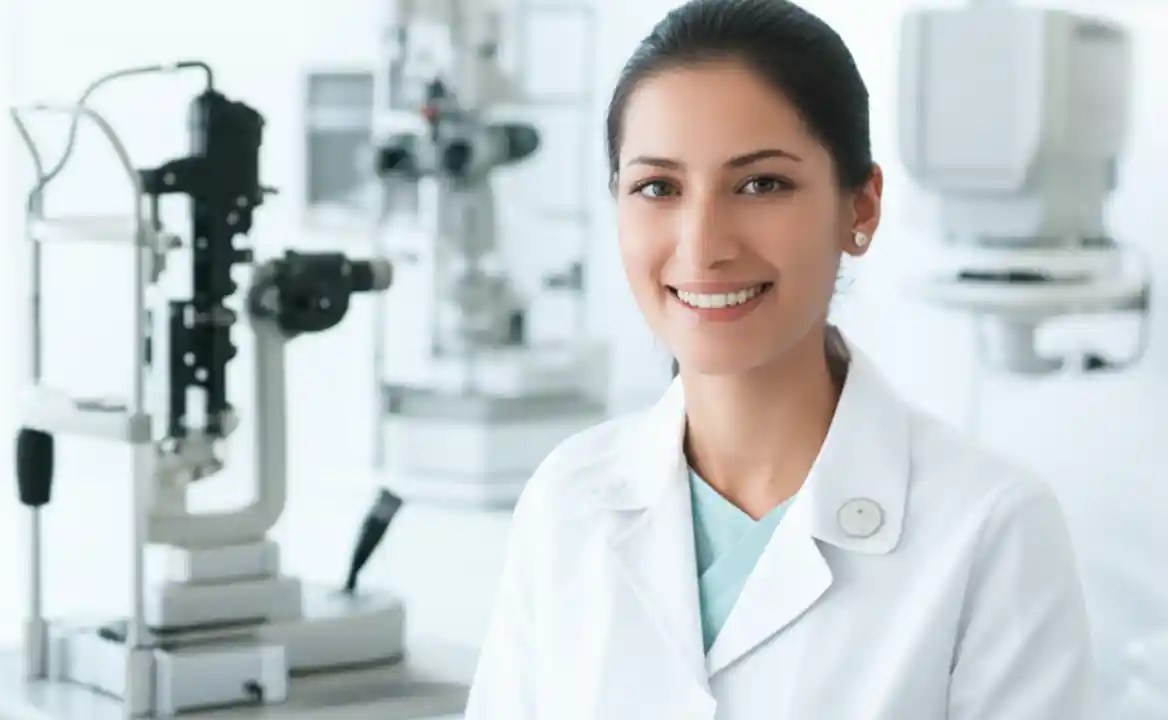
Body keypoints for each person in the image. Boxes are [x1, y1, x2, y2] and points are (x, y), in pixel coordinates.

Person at [463, 0, 1096, 717]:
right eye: (658, 188)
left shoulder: (991, 528)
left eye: (761, 184)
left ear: (860, 209)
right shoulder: (567, 501)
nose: (703, 245)